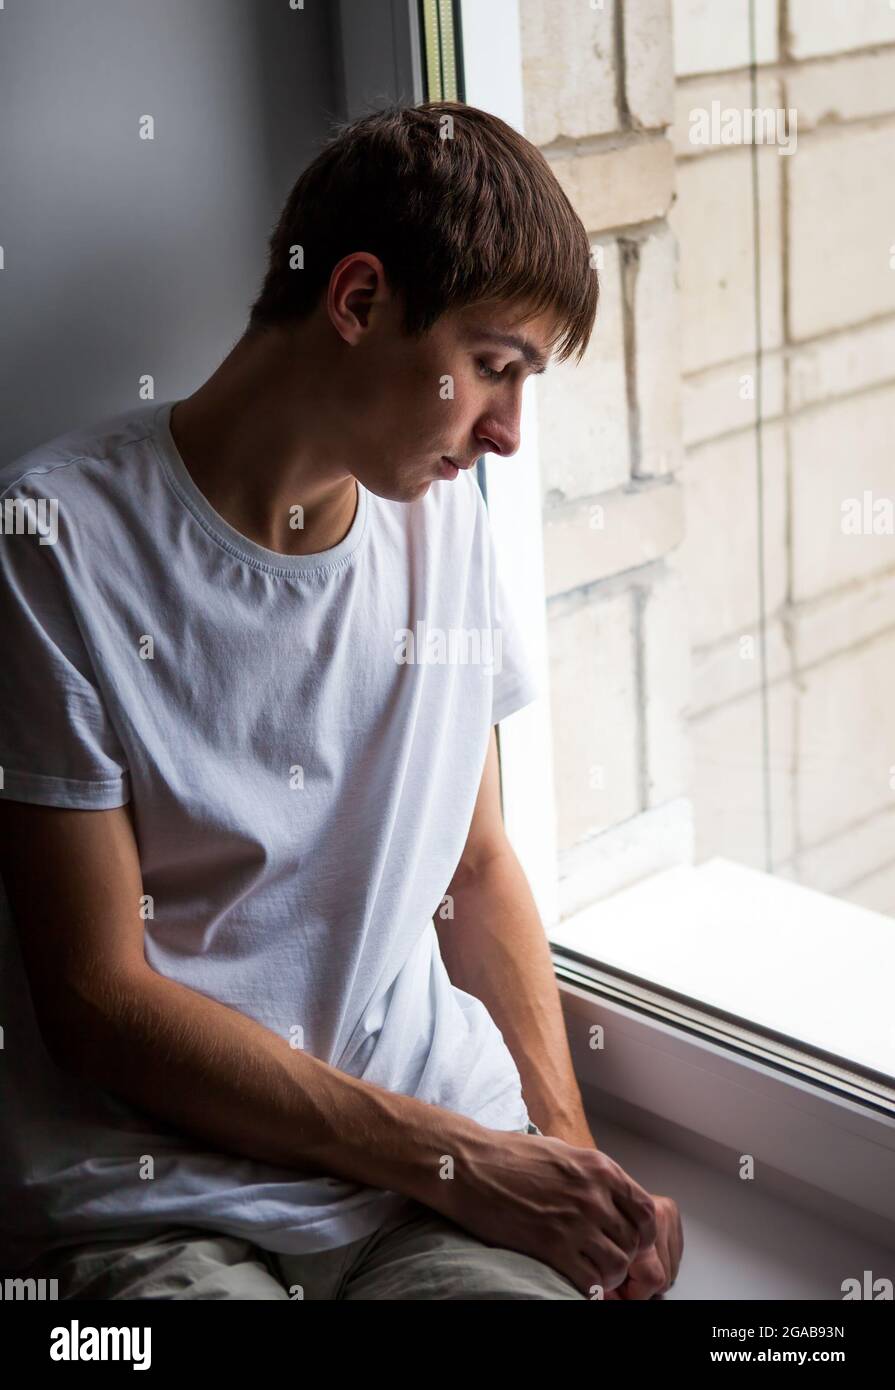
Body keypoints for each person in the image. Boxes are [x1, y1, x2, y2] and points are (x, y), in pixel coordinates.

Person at [0, 100, 682, 1300]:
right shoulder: (51, 543)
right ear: (358, 301)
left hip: (431, 1177)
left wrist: (567, 1164)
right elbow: (98, 1003)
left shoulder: (447, 534)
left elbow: (472, 870)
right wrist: (459, 1158)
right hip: (158, 1200)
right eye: (490, 367)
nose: (511, 433)